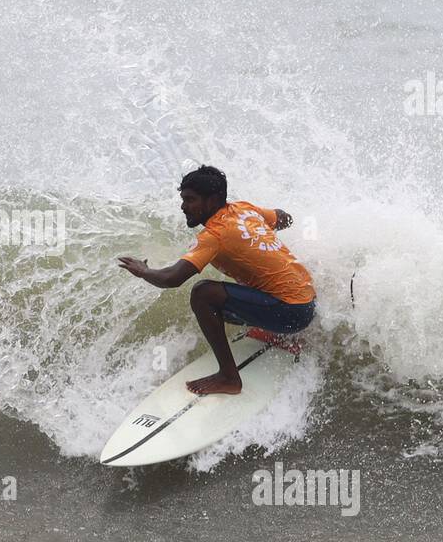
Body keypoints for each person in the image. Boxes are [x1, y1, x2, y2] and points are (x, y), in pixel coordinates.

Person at [118, 165, 316, 395]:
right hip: (308, 302)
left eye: (190, 200)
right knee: (242, 284)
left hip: (292, 313)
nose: (183, 207)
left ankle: (229, 377)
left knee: (203, 294)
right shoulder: (245, 209)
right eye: (183, 199)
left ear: (212, 201)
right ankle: (276, 331)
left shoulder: (214, 235)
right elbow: (285, 218)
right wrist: (256, 236)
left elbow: (172, 279)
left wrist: (143, 271)